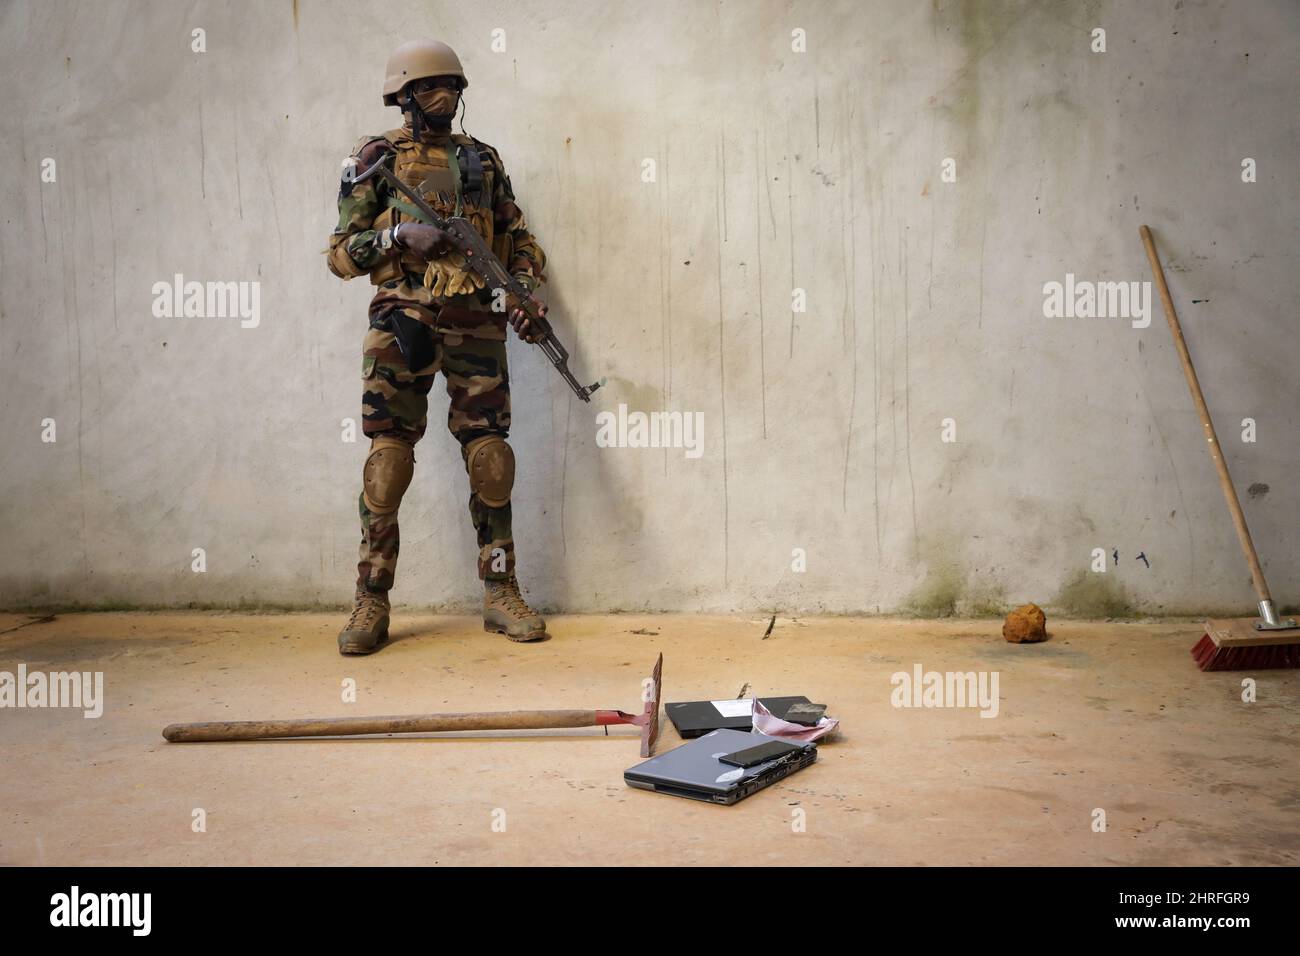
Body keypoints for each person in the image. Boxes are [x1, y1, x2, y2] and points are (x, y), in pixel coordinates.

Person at [327, 39, 551, 654]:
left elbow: (518, 237)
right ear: (404, 96)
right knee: (389, 462)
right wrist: (400, 235)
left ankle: (500, 591)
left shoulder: (482, 160)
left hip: (476, 321)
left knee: (491, 457)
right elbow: (341, 254)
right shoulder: (375, 159)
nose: (444, 97)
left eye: (452, 86)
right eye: (430, 88)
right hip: (401, 320)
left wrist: (526, 292)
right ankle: (371, 599)